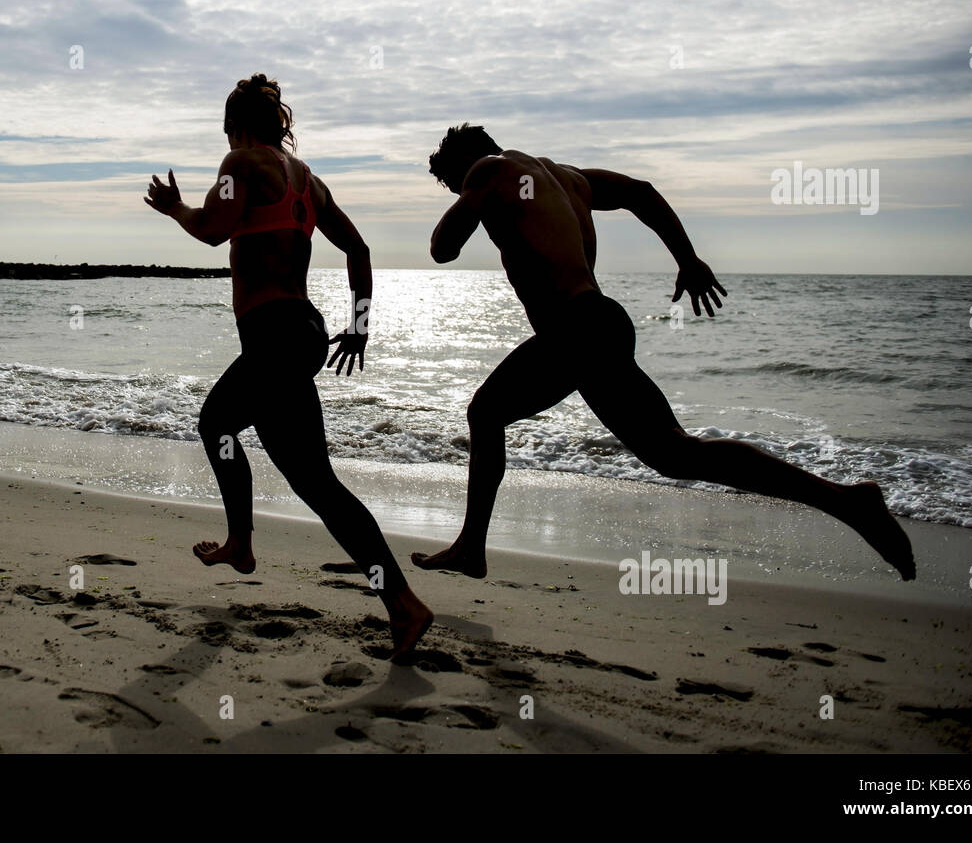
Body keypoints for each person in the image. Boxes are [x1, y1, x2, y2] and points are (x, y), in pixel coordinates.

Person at [412, 123, 916, 582]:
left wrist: (468, 196)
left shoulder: (486, 171)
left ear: (462, 166)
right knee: (674, 453)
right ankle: (849, 502)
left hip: (574, 328)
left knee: (485, 411)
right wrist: (687, 257)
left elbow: (442, 248)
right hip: (602, 323)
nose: (459, 191)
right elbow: (640, 193)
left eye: (451, 183)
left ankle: (470, 548)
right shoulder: (567, 178)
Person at [144, 73, 433, 656]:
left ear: (235, 125)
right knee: (318, 484)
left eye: (227, 128)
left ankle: (242, 543)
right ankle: (401, 603)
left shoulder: (241, 162)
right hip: (304, 332)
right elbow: (358, 248)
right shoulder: (309, 182)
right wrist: (359, 325)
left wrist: (176, 208)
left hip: (274, 335)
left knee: (216, 424)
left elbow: (213, 230)